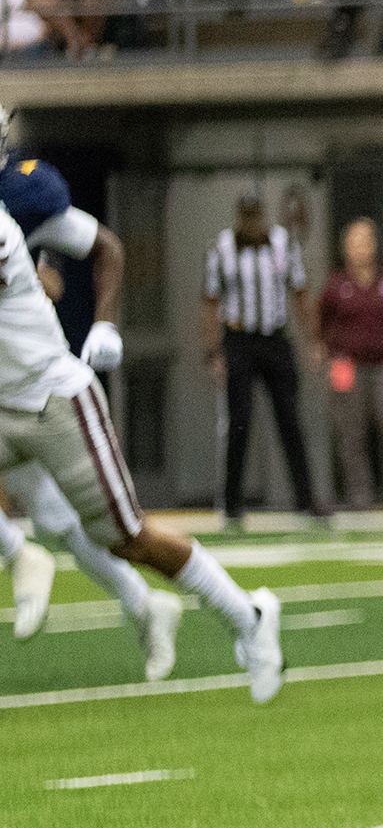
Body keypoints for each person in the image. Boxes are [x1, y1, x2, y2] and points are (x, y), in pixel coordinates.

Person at [1, 203, 284, 698]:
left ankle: (249, 615)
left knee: (127, 537)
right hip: (4, 405)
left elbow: (99, 247)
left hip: (52, 400)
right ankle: (18, 552)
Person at [0, 134, 181, 676]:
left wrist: (92, 314)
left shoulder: (24, 194)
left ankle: (18, 553)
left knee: (77, 524)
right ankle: (145, 605)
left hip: (31, 379)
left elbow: (100, 248)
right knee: (58, 522)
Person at [204, 193, 327, 533]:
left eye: (256, 215)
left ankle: (305, 499)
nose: (252, 222)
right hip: (239, 340)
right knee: (238, 424)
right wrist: (213, 353)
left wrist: (313, 340)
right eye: (246, 216)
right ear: (238, 216)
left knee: (290, 419)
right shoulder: (223, 248)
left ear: (264, 215)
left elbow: (300, 292)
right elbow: (210, 302)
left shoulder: (283, 245)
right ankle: (231, 505)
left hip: (275, 338)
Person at [317, 217, 383, 510]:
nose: (361, 248)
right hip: (346, 365)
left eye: (366, 241)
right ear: (346, 248)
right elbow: (322, 320)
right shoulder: (337, 285)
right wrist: (326, 352)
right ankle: (359, 495)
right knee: (350, 432)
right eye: (355, 242)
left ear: (374, 245)